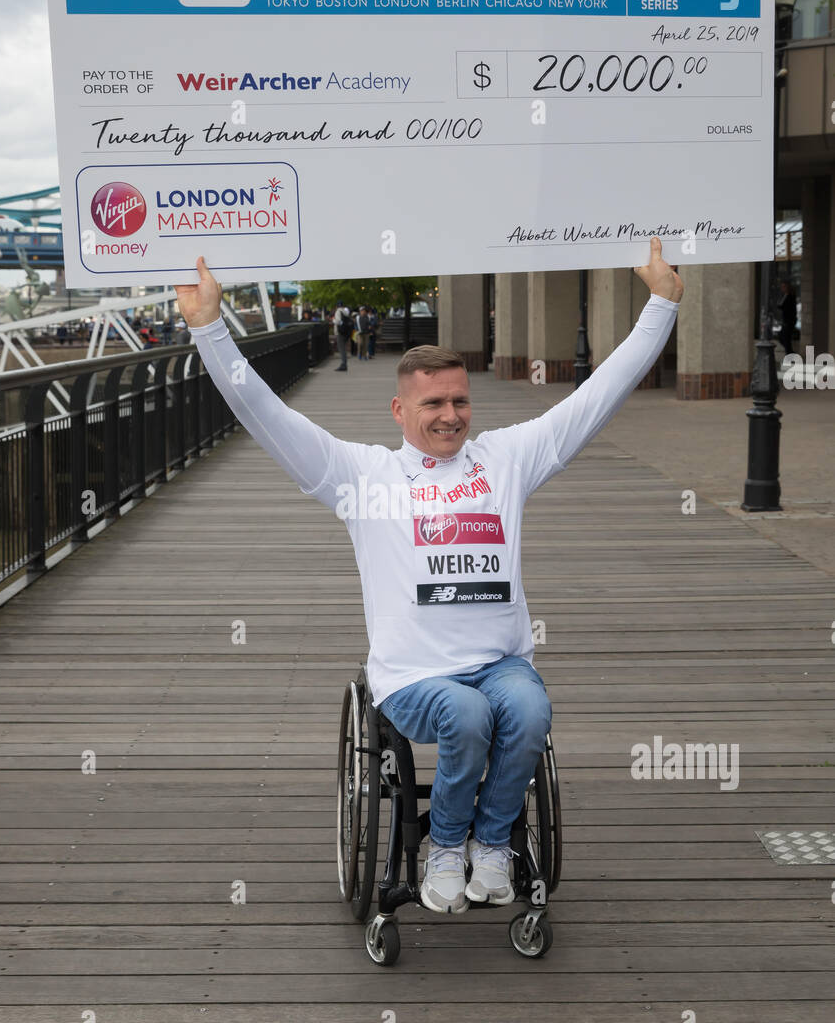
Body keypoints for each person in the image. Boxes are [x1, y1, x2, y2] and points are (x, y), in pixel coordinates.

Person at [175, 238, 683, 915]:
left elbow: (600, 395)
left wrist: (663, 304)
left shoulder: (507, 459)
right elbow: (267, 416)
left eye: (460, 401)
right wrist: (209, 327)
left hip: (501, 663)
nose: (450, 415)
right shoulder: (361, 475)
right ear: (399, 411)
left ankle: (492, 845)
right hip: (414, 678)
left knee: (528, 708)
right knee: (467, 715)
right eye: (433, 404)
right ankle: (444, 847)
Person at [776, 278, 798, 354]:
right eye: (781, 287)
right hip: (786, 320)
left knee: (785, 338)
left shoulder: (790, 296)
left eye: (783, 287)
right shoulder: (785, 296)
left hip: (789, 321)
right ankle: (790, 352)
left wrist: (780, 306)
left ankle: (790, 353)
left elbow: (787, 308)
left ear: (787, 287)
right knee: (783, 337)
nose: (782, 288)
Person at [333, 304, 352, 370]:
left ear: (336, 306)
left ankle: (343, 364)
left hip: (340, 332)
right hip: (345, 332)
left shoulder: (338, 311)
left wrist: (333, 320)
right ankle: (344, 363)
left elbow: (338, 321)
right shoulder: (345, 312)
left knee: (342, 349)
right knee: (344, 348)